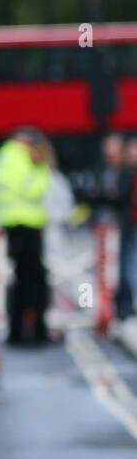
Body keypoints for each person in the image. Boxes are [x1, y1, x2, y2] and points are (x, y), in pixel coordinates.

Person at [0, 128, 51, 346]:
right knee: (31, 281)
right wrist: (43, 168)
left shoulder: (5, 157)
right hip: (23, 225)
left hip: (18, 225)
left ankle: (21, 331)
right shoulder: (16, 158)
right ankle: (29, 332)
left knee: (24, 280)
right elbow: (35, 190)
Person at [90, 133, 134, 320]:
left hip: (121, 225)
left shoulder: (128, 170)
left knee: (124, 266)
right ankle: (94, 306)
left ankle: (123, 306)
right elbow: (93, 194)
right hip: (100, 226)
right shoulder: (100, 169)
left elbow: (122, 196)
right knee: (96, 268)